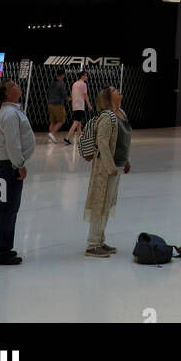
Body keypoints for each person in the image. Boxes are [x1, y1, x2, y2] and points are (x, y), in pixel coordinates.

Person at [0, 79, 34, 265]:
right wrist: (19, 164)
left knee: (4, 206)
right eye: (14, 85)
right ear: (7, 93)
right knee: (9, 208)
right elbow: (13, 143)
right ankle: (2, 250)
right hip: (9, 166)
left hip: (6, 165)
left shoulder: (11, 111)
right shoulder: (10, 114)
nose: (18, 86)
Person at [83, 86, 130, 256]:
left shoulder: (121, 113)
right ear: (109, 98)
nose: (119, 91)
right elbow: (103, 143)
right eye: (115, 90)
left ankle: (100, 240)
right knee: (99, 203)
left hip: (116, 166)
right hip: (105, 168)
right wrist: (110, 167)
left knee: (107, 204)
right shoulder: (107, 117)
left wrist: (126, 161)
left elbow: (122, 141)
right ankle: (92, 244)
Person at [66, 70, 91, 145]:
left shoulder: (74, 84)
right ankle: (67, 137)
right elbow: (85, 95)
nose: (86, 77)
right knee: (76, 122)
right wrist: (89, 104)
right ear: (82, 76)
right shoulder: (83, 84)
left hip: (75, 105)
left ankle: (80, 139)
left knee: (79, 123)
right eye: (86, 75)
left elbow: (73, 95)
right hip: (80, 105)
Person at [46, 70, 68, 143]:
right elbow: (63, 94)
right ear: (62, 75)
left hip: (50, 104)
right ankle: (52, 134)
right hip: (58, 104)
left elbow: (48, 92)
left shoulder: (52, 83)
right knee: (61, 120)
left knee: (52, 121)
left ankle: (50, 139)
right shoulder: (61, 83)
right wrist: (68, 98)